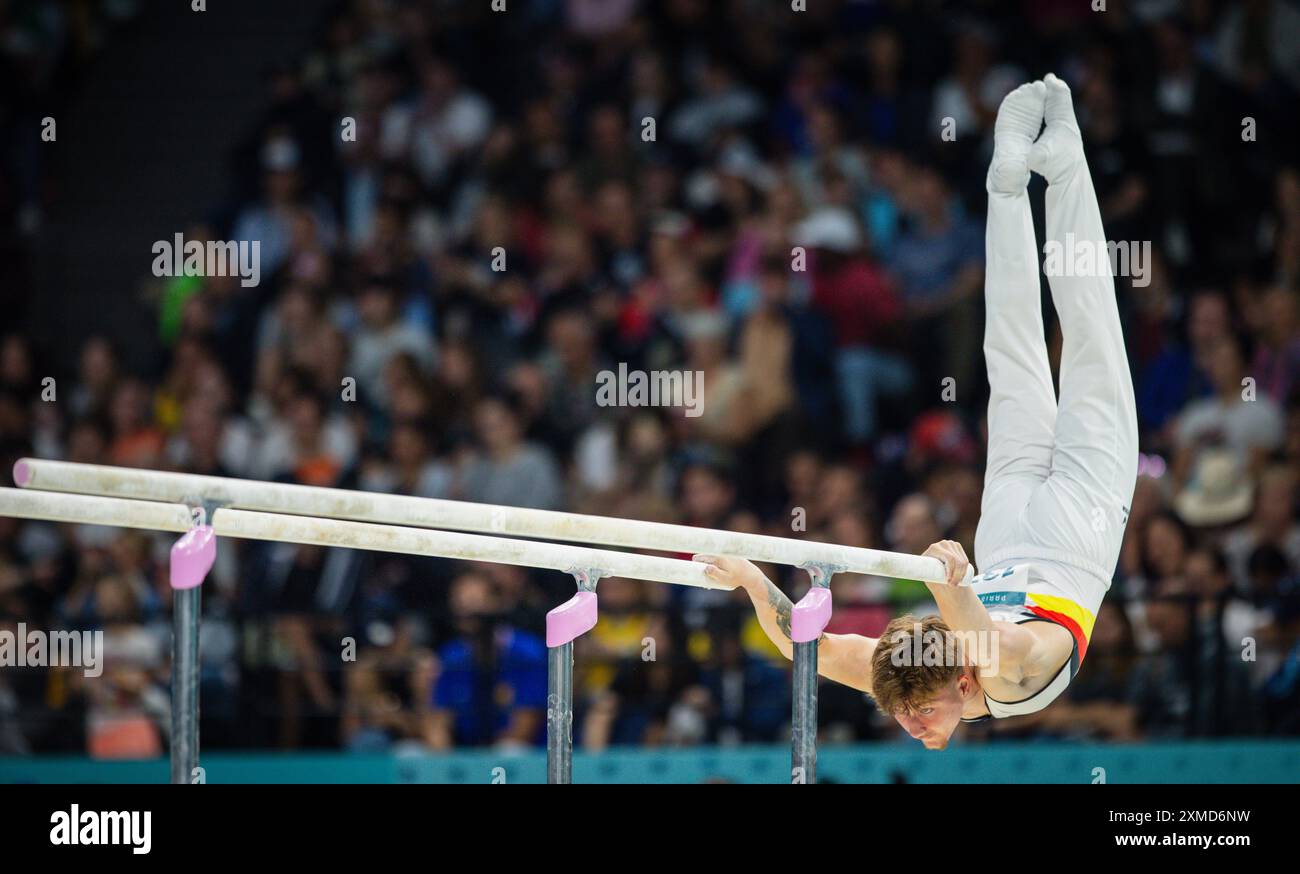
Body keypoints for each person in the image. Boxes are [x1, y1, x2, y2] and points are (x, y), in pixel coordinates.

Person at [700, 75, 1139, 750]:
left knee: (1017, 350)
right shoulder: (1010, 676)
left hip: (1013, 531)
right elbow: (986, 644)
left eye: (904, 715)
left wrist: (751, 577)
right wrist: (951, 581)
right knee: (1085, 338)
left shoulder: (903, 666)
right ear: (962, 687)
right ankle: (1063, 160)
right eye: (922, 715)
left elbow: (800, 642)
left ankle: (1010, 188)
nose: (911, 724)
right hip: (1064, 528)